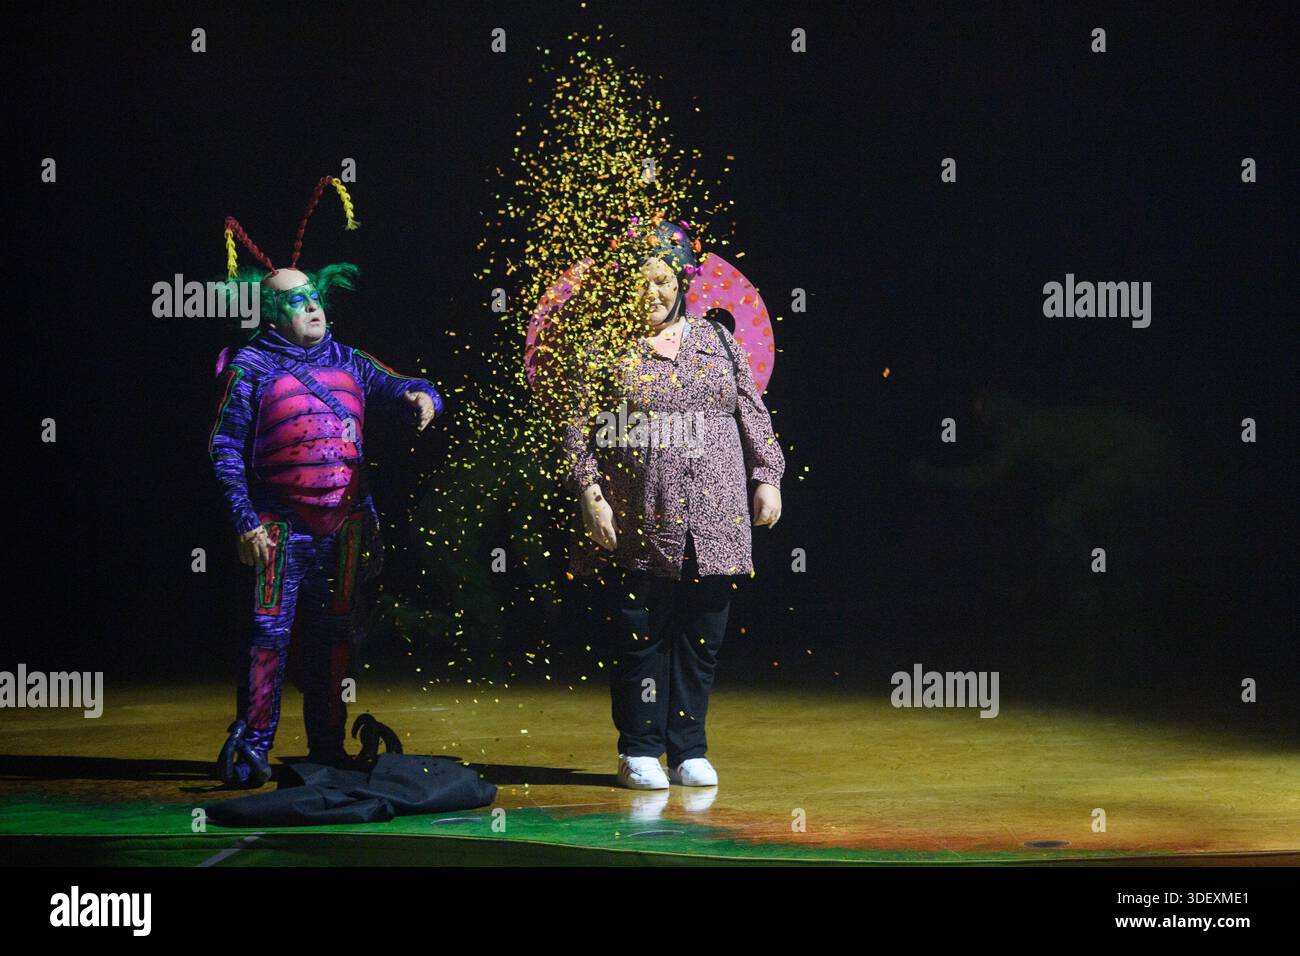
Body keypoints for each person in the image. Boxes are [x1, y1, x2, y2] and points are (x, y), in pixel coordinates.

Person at [209, 176, 443, 786]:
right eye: (295, 299)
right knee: (269, 636)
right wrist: (244, 521)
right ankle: (254, 746)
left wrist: (424, 396)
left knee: (336, 636)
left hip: (345, 526)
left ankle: (328, 746)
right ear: (270, 313)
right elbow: (224, 448)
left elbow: (405, 383)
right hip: (279, 528)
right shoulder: (250, 369)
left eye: (314, 295)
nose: (311, 305)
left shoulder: (350, 360)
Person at [563, 219, 785, 790]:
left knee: (702, 636)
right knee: (641, 636)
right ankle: (639, 747)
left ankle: (688, 748)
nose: (652, 293)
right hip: (641, 514)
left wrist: (768, 477)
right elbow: (578, 431)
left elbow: (753, 415)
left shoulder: (718, 342)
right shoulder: (608, 349)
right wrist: (591, 496)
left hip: (716, 517)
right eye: (641, 282)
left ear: (681, 283)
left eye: (662, 281)